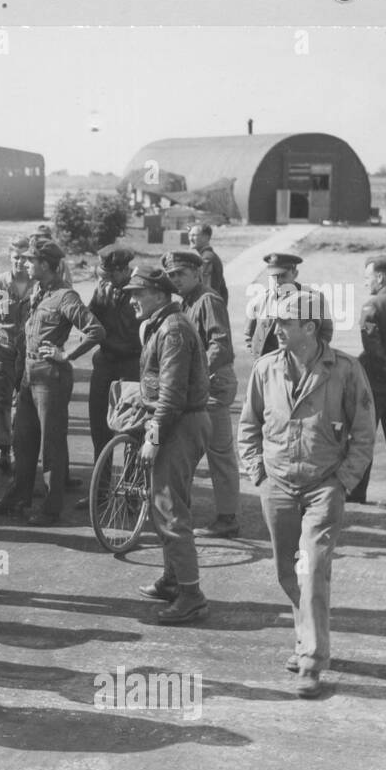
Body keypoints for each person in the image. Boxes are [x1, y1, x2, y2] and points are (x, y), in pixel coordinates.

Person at [238, 289, 376, 697]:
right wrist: (257, 473)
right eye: (275, 322)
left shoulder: (347, 370)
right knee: (288, 571)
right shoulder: (266, 369)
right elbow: (248, 425)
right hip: (276, 483)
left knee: (313, 567)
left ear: (311, 327)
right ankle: (305, 640)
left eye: (284, 322)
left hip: (322, 486)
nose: (275, 328)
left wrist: (343, 482)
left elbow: (365, 433)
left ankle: (312, 662)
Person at [0, 241, 103, 526]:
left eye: (31, 260)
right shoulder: (39, 291)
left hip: (51, 376)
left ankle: (51, 508)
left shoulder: (65, 296)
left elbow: (95, 330)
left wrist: (67, 354)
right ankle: (17, 498)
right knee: (23, 439)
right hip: (28, 372)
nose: (25, 264)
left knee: (52, 444)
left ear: (46, 265)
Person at [126, 266, 213, 624]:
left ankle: (191, 595)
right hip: (179, 421)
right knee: (168, 503)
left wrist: (154, 435)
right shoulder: (163, 323)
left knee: (169, 507)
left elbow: (173, 394)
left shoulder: (173, 329)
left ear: (160, 296)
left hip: (179, 424)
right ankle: (172, 579)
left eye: (139, 293)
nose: (132, 300)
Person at [163, 249, 241, 538]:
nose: (176, 279)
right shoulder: (186, 302)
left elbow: (221, 344)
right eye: (171, 275)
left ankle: (228, 518)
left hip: (213, 386)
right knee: (188, 450)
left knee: (219, 454)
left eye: (181, 273)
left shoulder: (207, 300)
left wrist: (195, 372)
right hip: (195, 387)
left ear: (197, 273)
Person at [81, 243, 140, 497]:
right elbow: (89, 320)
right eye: (103, 275)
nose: (107, 280)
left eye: (111, 275)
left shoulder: (139, 290)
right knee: (99, 428)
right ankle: (101, 490)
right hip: (105, 364)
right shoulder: (103, 289)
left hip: (131, 366)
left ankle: (131, 491)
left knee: (132, 430)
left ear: (124, 270)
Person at [0, 236, 34, 474]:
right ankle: (3, 449)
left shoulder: (37, 285)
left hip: (28, 351)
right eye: (16, 257)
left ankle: (19, 450)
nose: (20, 262)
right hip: (2, 348)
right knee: (1, 401)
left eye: (24, 257)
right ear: (10, 257)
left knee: (22, 402)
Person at [350, 254, 386, 508]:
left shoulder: (372, 306)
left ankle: (357, 492)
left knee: (363, 436)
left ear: (380, 277)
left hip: (376, 385)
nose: (366, 282)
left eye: (368, 277)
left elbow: (372, 348)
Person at [188, 223, 228, 301]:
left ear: (206, 237)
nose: (190, 239)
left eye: (194, 235)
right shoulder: (209, 256)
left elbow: (207, 291)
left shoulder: (207, 259)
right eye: (189, 235)